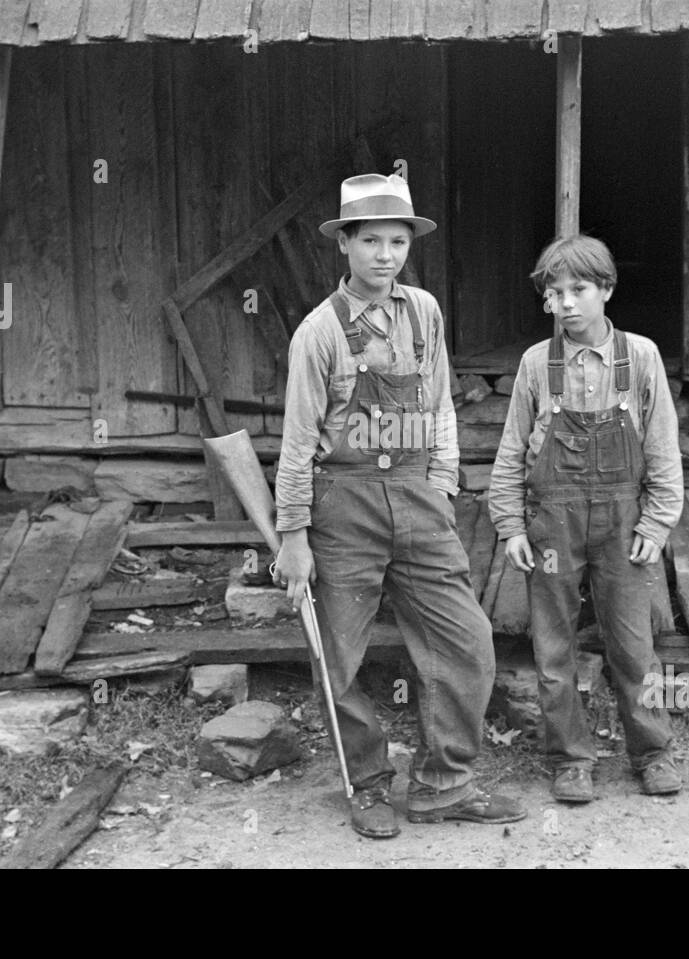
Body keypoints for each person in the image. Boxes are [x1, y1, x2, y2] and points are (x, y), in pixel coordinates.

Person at [273, 173, 525, 838]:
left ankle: (445, 783)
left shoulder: (424, 311)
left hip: (417, 494)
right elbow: (298, 442)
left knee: (467, 641)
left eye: (397, 241)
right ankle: (368, 783)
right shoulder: (318, 333)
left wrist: (443, 475)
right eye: (371, 241)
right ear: (345, 245)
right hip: (343, 504)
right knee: (339, 655)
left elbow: (439, 401)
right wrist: (293, 532)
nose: (385, 255)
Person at [487, 234, 684, 803]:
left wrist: (656, 523)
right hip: (553, 524)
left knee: (632, 647)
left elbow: (664, 449)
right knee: (553, 650)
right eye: (554, 293)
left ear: (607, 290)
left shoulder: (639, 357)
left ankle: (652, 752)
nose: (566, 303)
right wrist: (511, 526)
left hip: (623, 523)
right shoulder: (535, 364)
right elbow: (511, 451)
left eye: (579, 289)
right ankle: (570, 758)